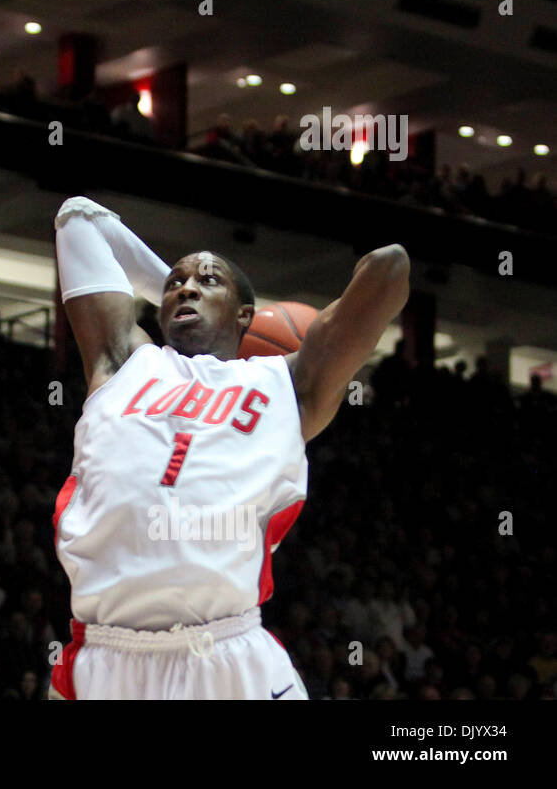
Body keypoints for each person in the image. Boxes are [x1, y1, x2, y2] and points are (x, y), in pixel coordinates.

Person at [49, 195, 409, 699]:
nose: (187, 287)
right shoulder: (123, 363)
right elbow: (78, 218)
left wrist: (236, 314)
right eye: (176, 283)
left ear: (246, 313)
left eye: (208, 280)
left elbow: (390, 266)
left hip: (227, 652)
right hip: (105, 659)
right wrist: (178, 290)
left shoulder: (289, 383)